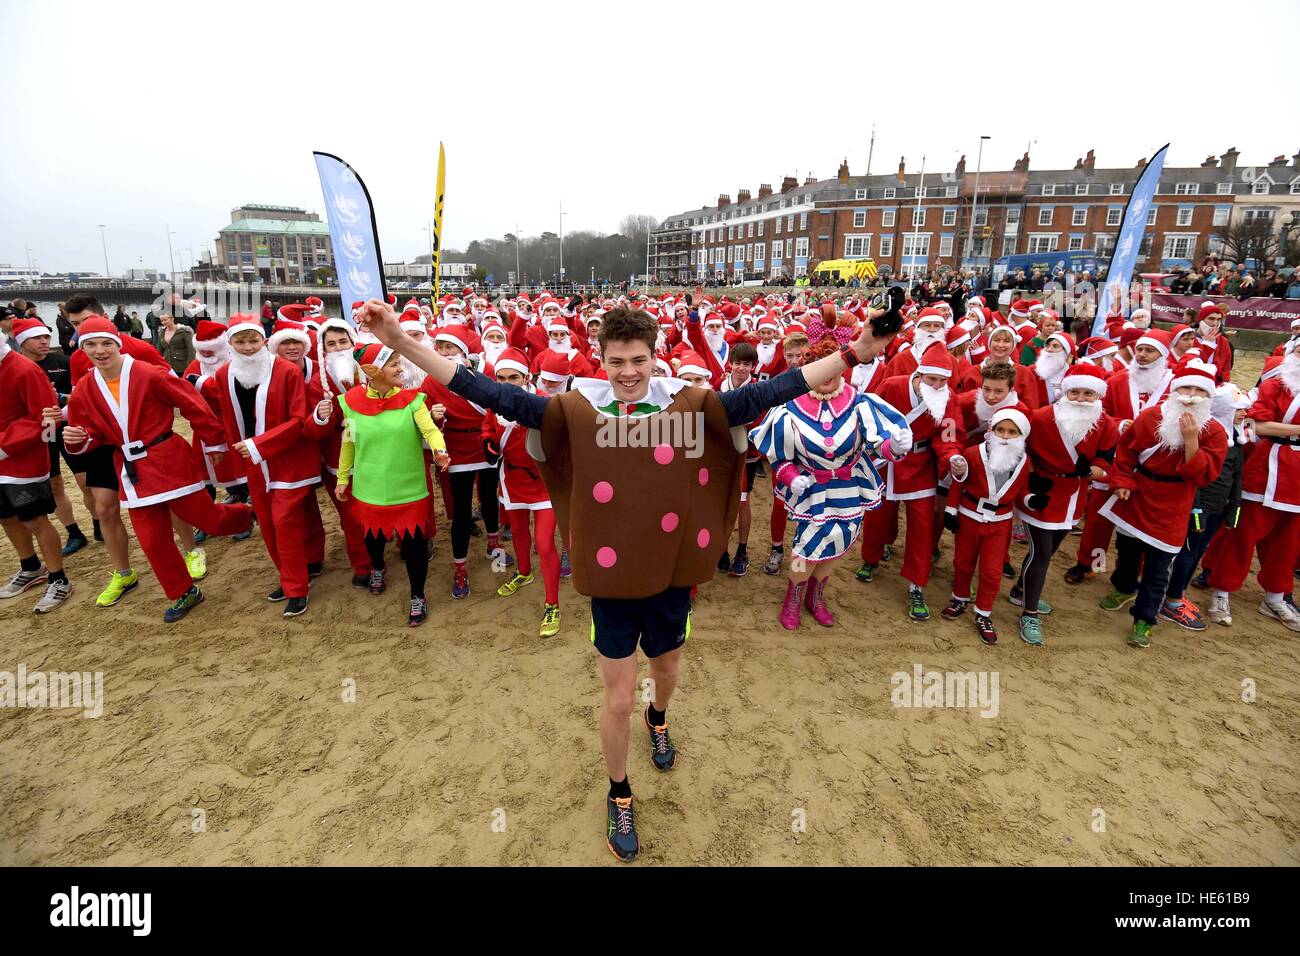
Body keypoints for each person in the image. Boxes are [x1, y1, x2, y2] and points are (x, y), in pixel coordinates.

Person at [356, 295, 897, 864]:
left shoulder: (690, 408)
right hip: (611, 584)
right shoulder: (575, 411)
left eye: (638, 360)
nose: (628, 372)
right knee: (615, 695)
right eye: (617, 361)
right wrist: (399, 341)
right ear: (602, 358)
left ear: (653, 356)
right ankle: (619, 792)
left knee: (666, 670)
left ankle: (658, 717)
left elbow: (768, 393)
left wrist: (854, 354)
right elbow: (489, 392)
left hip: (669, 576)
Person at [61, 318, 254, 621]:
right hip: (131, 471)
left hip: (168, 460)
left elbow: (190, 401)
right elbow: (90, 432)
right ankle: (183, 591)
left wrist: (216, 442)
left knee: (210, 520)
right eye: (91, 345)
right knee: (152, 540)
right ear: (83, 348)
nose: (100, 351)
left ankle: (246, 515)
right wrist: (79, 439)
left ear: (118, 343)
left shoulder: (148, 373)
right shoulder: (86, 387)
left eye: (106, 343)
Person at [750, 338, 907, 629]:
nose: (826, 378)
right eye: (819, 371)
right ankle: (793, 597)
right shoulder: (789, 409)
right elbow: (779, 457)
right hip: (812, 492)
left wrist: (894, 446)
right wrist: (791, 477)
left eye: (831, 371)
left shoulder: (859, 403)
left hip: (850, 490)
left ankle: (816, 596)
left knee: (838, 543)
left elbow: (876, 447)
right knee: (803, 550)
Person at [1097, 359, 1227, 647]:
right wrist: (1122, 482)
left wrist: (1191, 439)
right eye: (1185, 388)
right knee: (1127, 550)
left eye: (1199, 390)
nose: (1191, 395)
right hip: (1139, 493)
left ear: (1209, 396)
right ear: (1174, 389)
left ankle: (1144, 619)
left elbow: (1204, 475)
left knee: (1158, 567)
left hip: (1175, 502)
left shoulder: (1215, 432)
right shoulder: (1151, 416)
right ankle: (1125, 586)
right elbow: (1126, 452)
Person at [64, 294, 180, 606]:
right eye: (75, 327)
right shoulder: (79, 357)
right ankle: (123, 572)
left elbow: (169, 381)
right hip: (106, 441)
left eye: (86, 322)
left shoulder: (138, 347)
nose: (82, 332)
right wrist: (73, 427)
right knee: (103, 508)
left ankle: (193, 550)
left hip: (146, 440)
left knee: (170, 500)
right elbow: (80, 402)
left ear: (104, 316)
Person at [207, 315, 322, 617]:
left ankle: (297, 589)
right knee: (269, 524)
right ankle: (293, 575)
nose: (247, 347)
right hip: (253, 464)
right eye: (240, 341)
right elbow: (228, 419)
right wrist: (233, 459)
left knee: (284, 522)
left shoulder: (286, 371)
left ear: (263, 341)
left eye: (253, 340)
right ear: (229, 343)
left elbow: (299, 419)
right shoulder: (223, 375)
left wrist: (260, 445)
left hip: (288, 460)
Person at [335, 342, 448, 626]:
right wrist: (342, 477)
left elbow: (430, 430)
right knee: (373, 537)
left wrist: (439, 449)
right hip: (370, 488)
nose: (401, 368)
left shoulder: (413, 400)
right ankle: (377, 566)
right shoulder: (350, 402)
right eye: (394, 363)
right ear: (373, 371)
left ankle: (418, 595)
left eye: (400, 362)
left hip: (409, 488)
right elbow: (348, 442)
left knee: (414, 546)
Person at [856, 343, 963, 623]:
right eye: (932, 379)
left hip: (922, 466)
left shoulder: (947, 398)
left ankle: (917, 583)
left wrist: (952, 458)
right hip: (889, 461)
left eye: (942, 380)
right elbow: (869, 415)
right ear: (920, 373)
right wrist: (879, 444)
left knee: (922, 526)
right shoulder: (892, 386)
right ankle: (871, 557)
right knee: (878, 515)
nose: (937, 385)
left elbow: (949, 435)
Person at [1013, 364, 1119, 645]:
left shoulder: (1105, 424)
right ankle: (1030, 612)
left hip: (1074, 495)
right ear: (1065, 391)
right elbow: (1021, 447)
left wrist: (1091, 471)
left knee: (1053, 545)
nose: (1081, 398)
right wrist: (1032, 474)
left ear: (1098, 396)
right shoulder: (1041, 417)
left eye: (1088, 393)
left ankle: (1020, 589)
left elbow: (1106, 462)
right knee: (1042, 552)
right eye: (1075, 392)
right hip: (1042, 492)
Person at [1205, 344, 1300, 631]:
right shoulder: (1276, 386)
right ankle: (1222, 591)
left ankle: (1275, 596)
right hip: (1268, 468)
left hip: (1297, 479)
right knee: (1244, 534)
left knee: (1288, 541)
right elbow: (1254, 423)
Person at [483, 347, 562, 636]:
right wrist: (488, 442)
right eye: (500, 377)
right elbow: (487, 427)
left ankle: (552, 603)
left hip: (543, 485)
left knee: (544, 543)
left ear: (527, 377)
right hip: (511, 481)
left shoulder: (542, 403)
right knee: (517, 532)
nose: (506, 383)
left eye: (513, 377)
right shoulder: (495, 404)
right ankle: (525, 573)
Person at [941, 406, 1033, 644]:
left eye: (1012, 432)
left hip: (1000, 523)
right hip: (970, 515)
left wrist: (1031, 500)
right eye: (1000, 429)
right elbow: (959, 483)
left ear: (1021, 435)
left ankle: (983, 613)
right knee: (963, 562)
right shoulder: (973, 453)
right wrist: (951, 510)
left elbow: (1021, 490)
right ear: (991, 430)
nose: (1005, 436)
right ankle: (959, 597)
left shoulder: (1024, 460)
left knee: (992, 572)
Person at [1160, 384, 1248, 630]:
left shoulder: (1237, 440)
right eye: (1239, 409)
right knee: (1187, 554)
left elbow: (1236, 477)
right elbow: (1196, 476)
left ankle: (1179, 593)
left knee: (1198, 553)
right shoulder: (1206, 435)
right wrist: (1195, 508)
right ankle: (1172, 599)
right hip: (1200, 508)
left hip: (1219, 508)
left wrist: (1235, 508)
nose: (1245, 414)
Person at [0, 324, 74, 613]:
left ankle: (58, 578)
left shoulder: (24, 370)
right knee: (6, 517)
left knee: (35, 519)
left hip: (24, 460)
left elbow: (47, 421)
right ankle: (31, 566)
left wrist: (5, 444)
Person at [10, 318, 88, 555]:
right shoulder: (16, 368)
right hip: (41, 433)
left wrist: (61, 397)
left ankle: (98, 525)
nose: (45, 341)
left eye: (46, 337)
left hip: (68, 426)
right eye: (38, 338)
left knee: (86, 481)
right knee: (55, 484)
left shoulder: (63, 361)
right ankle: (74, 532)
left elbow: (83, 394)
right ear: (22, 341)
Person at [155, 311, 195, 376]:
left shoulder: (184, 331)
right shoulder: (161, 332)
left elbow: (191, 350)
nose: (163, 322)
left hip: (182, 366)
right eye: (161, 321)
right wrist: (159, 364)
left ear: (172, 318)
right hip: (167, 366)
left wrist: (190, 366)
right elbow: (159, 350)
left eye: (165, 320)